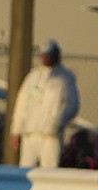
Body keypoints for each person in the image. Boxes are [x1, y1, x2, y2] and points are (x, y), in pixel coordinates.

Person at [9, 39, 80, 168]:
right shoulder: (33, 77)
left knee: (49, 171)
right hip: (30, 133)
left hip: (50, 136)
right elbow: (21, 104)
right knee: (25, 169)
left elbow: (72, 105)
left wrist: (56, 122)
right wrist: (16, 130)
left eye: (48, 55)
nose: (45, 58)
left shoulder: (65, 78)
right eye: (43, 55)